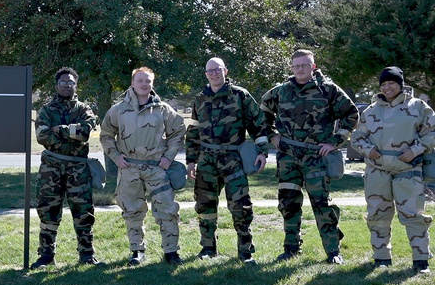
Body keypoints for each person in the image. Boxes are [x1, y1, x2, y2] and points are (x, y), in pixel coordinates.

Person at [261, 50, 360, 264]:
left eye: (304, 65)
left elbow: (352, 114)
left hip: (316, 156)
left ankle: (333, 251)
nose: (300, 69)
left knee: (321, 203)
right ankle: (291, 248)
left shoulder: (328, 90)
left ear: (313, 66)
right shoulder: (280, 92)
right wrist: (272, 136)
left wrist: (335, 141)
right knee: (288, 203)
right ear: (291, 68)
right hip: (288, 156)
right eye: (296, 66)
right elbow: (262, 114)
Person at [351, 66, 435, 274]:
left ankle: (421, 261)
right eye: (383, 84)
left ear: (400, 84)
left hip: (407, 170)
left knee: (413, 216)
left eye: (391, 83)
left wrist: (415, 150)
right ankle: (381, 257)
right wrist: (369, 150)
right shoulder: (371, 110)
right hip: (377, 171)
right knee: (377, 215)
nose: (387, 87)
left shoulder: (418, 107)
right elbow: (357, 138)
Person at [184, 57, 271, 265]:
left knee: (240, 206)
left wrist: (262, 151)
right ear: (206, 74)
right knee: (205, 205)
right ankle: (207, 248)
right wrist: (190, 161)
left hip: (233, 159)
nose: (213, 74)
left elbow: (258, 124)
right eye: (209, 71)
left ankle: (245, 251)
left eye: (217, 70)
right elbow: (193, 132)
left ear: (225, 71)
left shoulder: (240, 95)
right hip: (206, 160)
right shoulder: (200, 98)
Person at [100, 67, 185, 265]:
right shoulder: (118, 110)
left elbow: (178, 132)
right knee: (132, 211)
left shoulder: (163, 109)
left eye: (148, 81)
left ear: (152, 83)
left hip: (157, 169)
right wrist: (115, 156)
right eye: (140, 81)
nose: (144, 84)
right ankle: (137, 251)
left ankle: (171, 252)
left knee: (167, 210)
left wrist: (169, 157)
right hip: (129, 169)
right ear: (132, 83)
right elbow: (106, 135)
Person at [30, 67, 101, 269]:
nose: (67, 85)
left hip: (78, 169)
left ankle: (87, 254)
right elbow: (42, 137)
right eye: (63, 82)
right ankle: (46, 256)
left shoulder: (84, 109)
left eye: (71, 82)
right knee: (48, 211)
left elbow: (85, 133)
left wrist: (58, 130)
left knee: (83, 212)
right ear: (56, 85)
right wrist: (72, 132)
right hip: (51, 169)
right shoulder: (46, 110)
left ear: (76, 85)